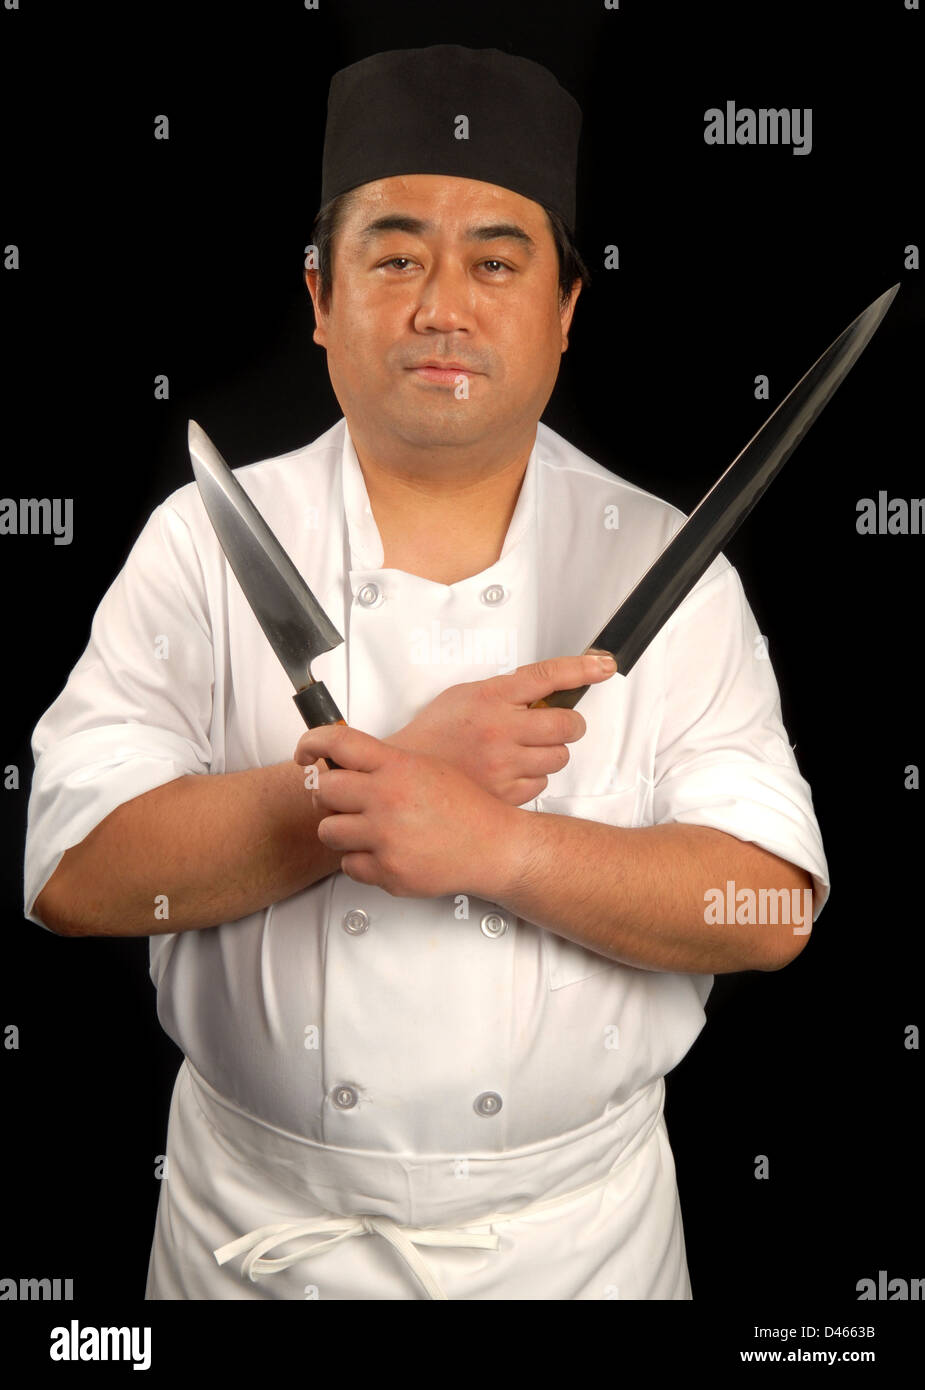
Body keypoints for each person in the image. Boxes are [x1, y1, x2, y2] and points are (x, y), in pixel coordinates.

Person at [23, 44, 830, 1300]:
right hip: (257, 1249)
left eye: (494, 262)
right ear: (318, 298)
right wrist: (359, 797)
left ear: (565, 311)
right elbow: (76, 879)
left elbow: (768, 912)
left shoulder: (670, 568)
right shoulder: (204, 544)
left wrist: (496, 848)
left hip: (576, 1258)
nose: (440, 305)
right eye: (394, 257)